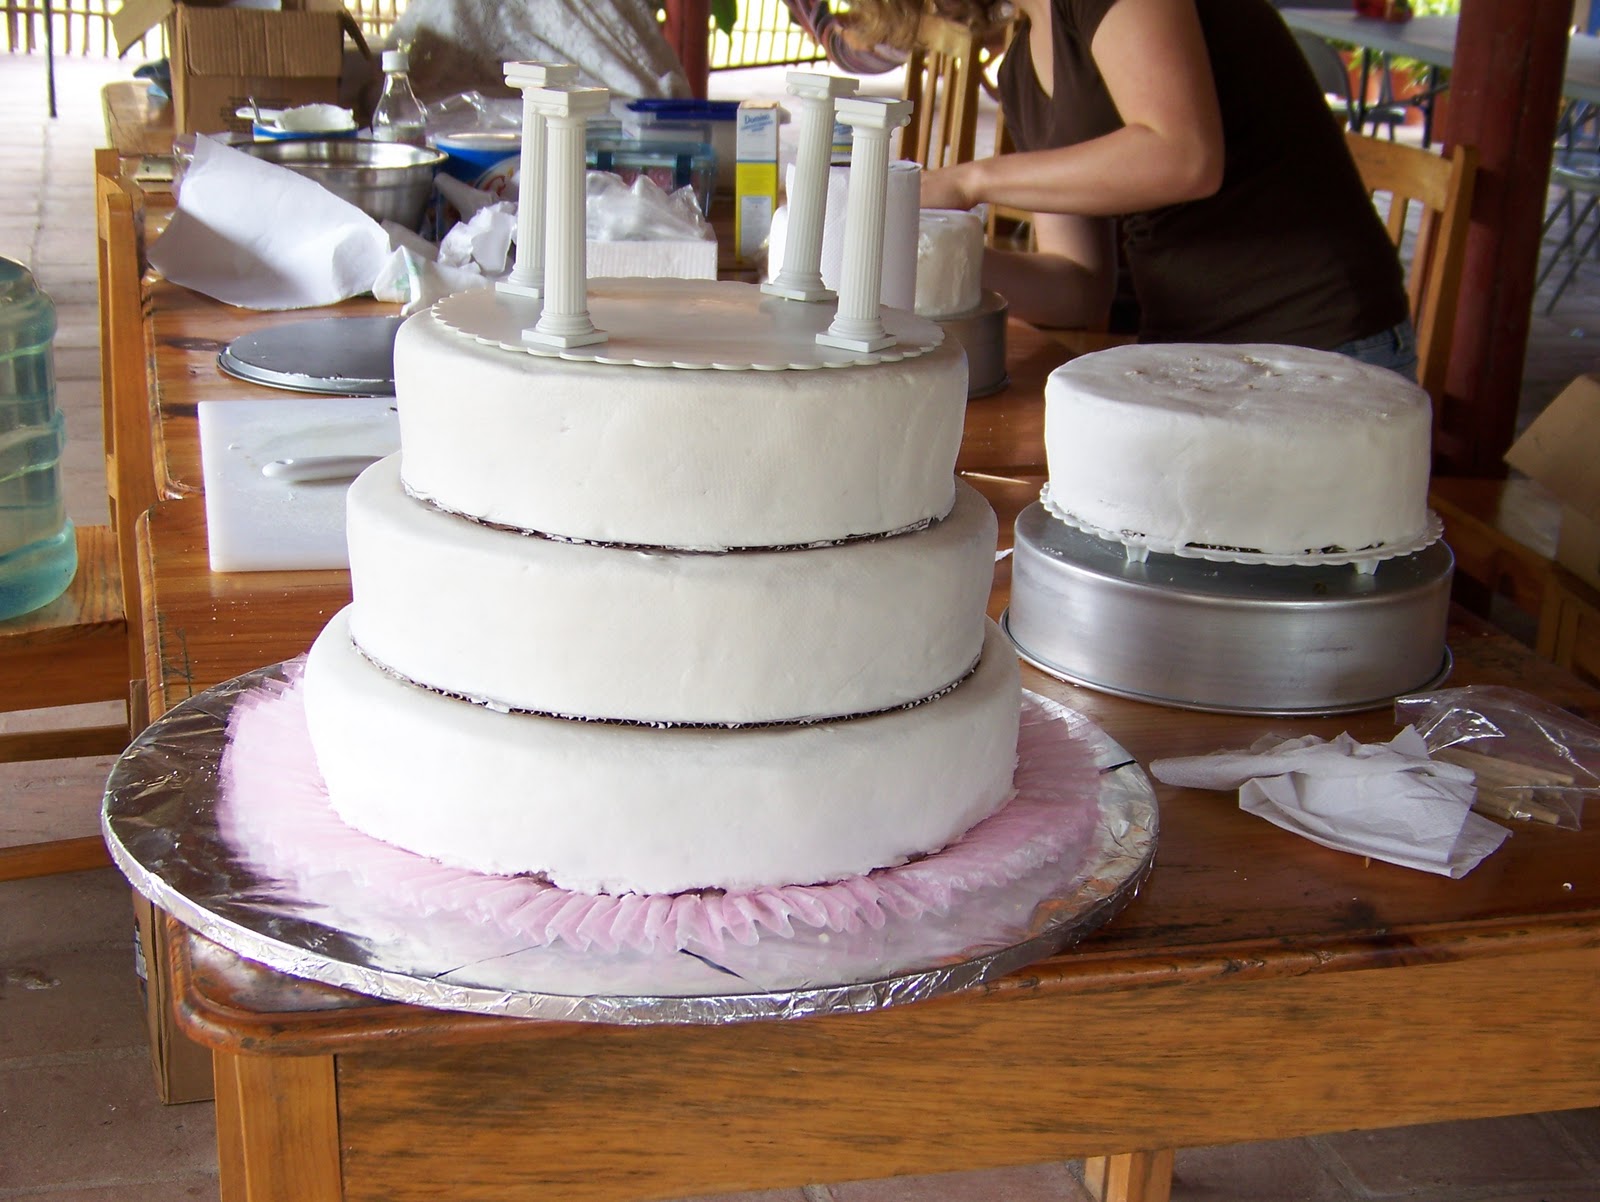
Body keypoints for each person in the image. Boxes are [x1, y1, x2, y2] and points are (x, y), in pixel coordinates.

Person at [842, 0, 1418, 378]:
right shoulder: (1022, 61)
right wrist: (928, 253)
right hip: (1189, 350)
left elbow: (1185, 154)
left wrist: (970, 181)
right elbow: (1079, 287)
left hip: (1317, 340)